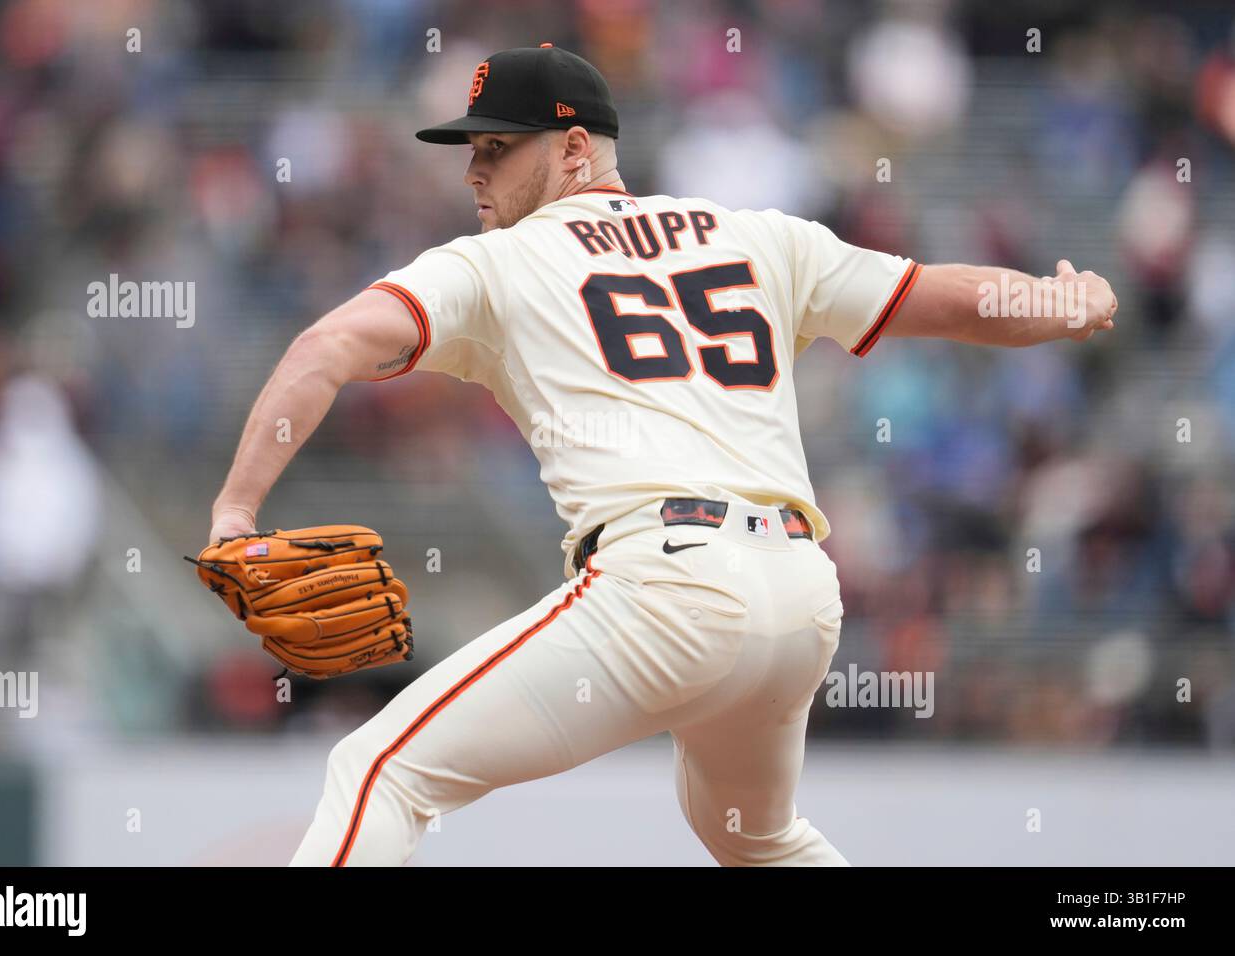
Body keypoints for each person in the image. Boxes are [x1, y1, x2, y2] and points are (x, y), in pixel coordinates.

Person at [205, 45, 1117, 866]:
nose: (475, 172)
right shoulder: (757, 234)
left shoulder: (497, 264)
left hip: (665, 584)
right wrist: (1057, 302)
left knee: (380, 770)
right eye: (471, 150)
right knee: (754, 837)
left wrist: (235, 514)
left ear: (575, 150)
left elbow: (324, 347)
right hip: (798, 595)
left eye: (498, 147)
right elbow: (950, 297)